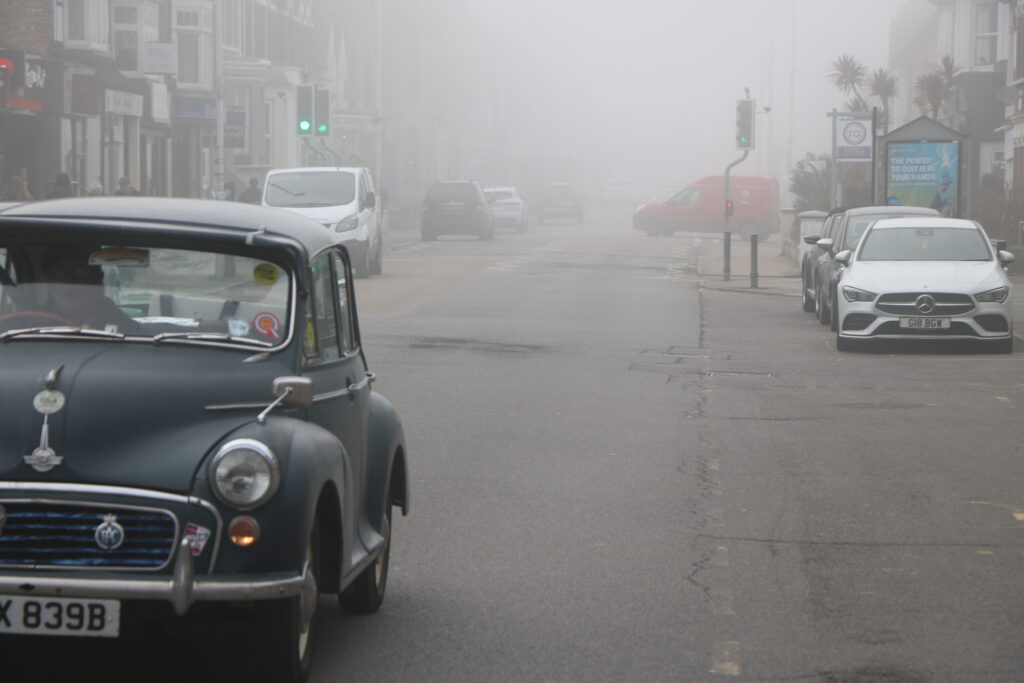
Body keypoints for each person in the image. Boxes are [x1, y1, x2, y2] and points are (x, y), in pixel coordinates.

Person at [39, 246, 142, 333]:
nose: (71, 281)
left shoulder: (126, 329)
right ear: (47, 282)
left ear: (98, 280)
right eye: (60, 274)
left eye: (82, 272)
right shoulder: (29, 324)